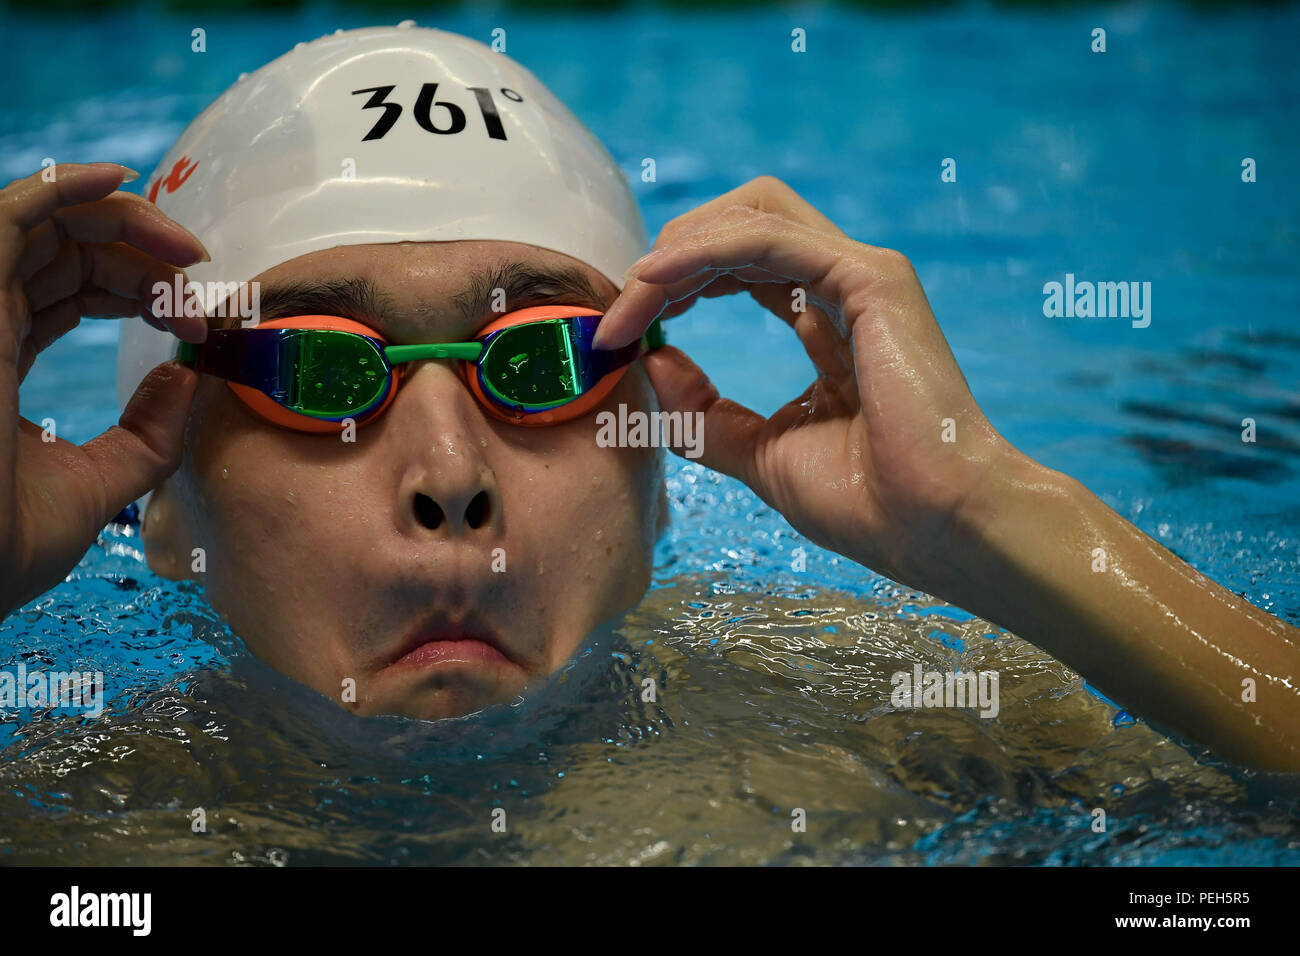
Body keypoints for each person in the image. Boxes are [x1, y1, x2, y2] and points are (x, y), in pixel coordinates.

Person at [2, 26, 1296, 771]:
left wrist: (990, 513)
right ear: (164, 511)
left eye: (546, 364)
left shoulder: (856, 747)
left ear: (661, 468)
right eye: (321, 374)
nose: (450, 477)